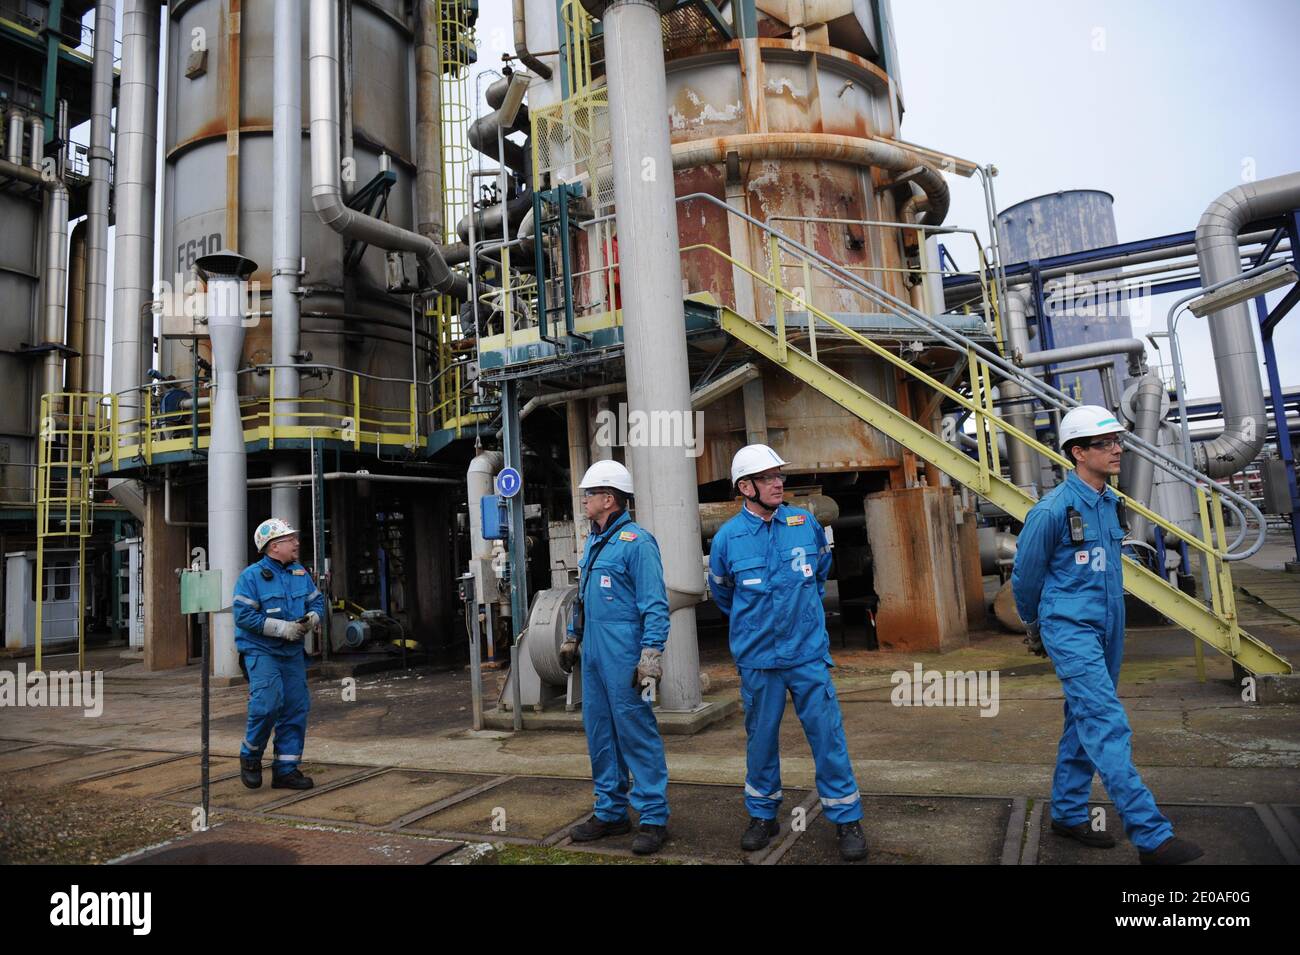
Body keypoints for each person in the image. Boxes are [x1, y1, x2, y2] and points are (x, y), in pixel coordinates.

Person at [1012, 405, 1203, 865]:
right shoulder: (1052, 510)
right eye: (1104, 443)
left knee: (1084, 717)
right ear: (1078, 452)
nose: (1117, 448)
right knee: (1105, 721)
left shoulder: (1110, 503)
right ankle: (1152, 836)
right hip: (1070, 625)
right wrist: (1036, 627)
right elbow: (1025, 578)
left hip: (1107, 621)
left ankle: (1069, 811)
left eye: (1118, 440)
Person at [709, 444, 868, 862]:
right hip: (759, 661)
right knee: (760, 742)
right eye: (767, 477)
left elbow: (819, 573)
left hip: (806, 656)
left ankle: (846, 818)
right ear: (745, 487)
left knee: (828, 738)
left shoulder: (804, 523)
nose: (779, 483)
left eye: (780, 476)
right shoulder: (728, 538)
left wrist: (804, 619)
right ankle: (763, 815)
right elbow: (724, 595)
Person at [559, 460, 672, 856]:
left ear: (609, 499)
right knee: (600, 733)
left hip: (626, 656)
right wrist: (573, 636)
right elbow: (584, 594)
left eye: (589, 495)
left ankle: (654, 817)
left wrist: (651, 656)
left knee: (636, 732)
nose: (584, 501)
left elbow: (655, 605)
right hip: (594, 654)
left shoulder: (638, 543)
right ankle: (610, 812)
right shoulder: (593, 540)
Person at [232, 518, 324, 791]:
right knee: (268, 704)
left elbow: (317, 601)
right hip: (262, 652)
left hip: (292, 654)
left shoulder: (299, 573)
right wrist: (283, 629)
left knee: (296, 708)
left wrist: (312, 618)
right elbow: (243, 615)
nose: (296, 543)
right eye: (289, 539)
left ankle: (286, 770)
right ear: (273, 547)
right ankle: (250, 756)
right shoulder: (251, 577)